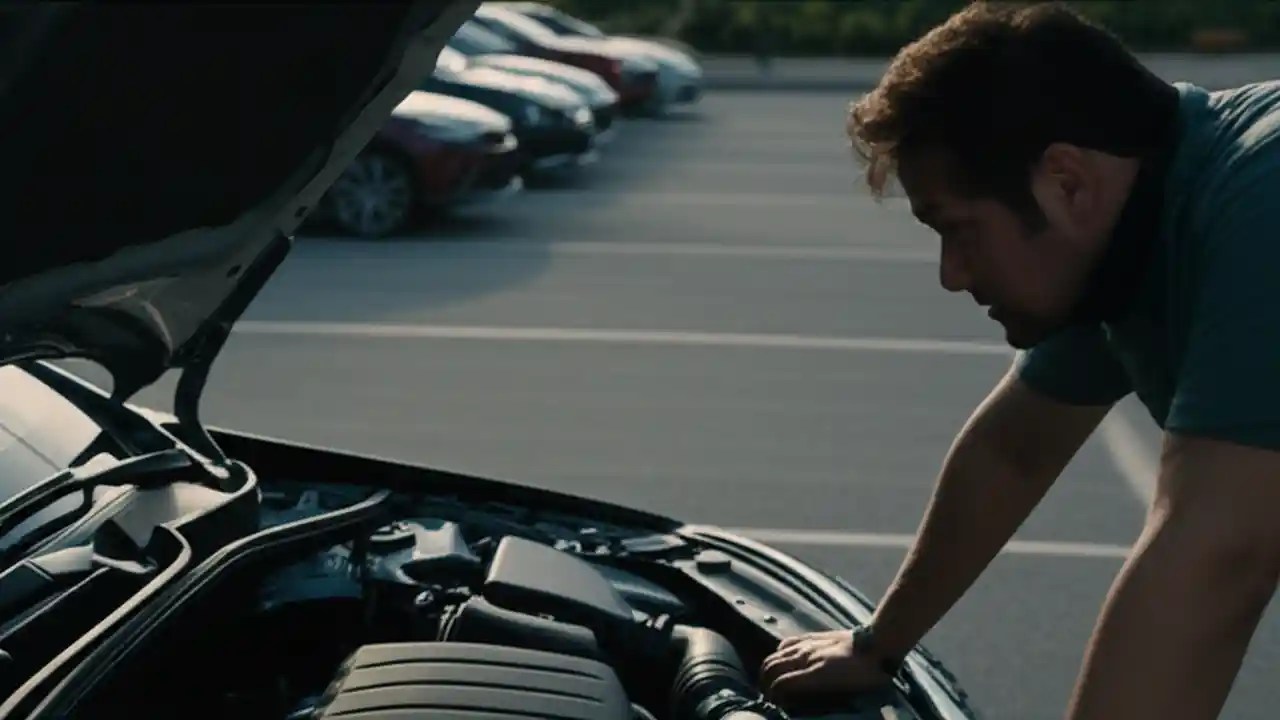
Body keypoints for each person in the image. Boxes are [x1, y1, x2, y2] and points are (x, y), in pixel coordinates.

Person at [758, 2, 1280, 719]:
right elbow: (1014, 451)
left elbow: (1215, 561)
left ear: (1067, 183)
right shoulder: (1139, 227)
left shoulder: (1262, 207)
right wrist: (879, 644)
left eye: (958, 229)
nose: (951, 273)